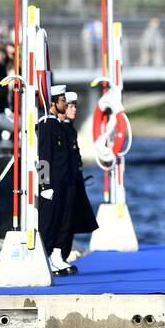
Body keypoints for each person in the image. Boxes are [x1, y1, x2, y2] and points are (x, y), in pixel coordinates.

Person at [54, 90, 99, 271]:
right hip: (61, 182)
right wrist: (45, 184)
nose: (72, 109)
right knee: (60, 220)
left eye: (73, 106)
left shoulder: (69, 128)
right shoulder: (55, 127)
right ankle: (56, 253)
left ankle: (61, 254)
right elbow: (47, 158)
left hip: (73, 181)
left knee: (70, 220)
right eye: (69, 105)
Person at [37, 85, 77, 275]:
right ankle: (45, 256)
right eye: (62, 100)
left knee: (64, 219)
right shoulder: (46, 124)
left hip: (65, 181)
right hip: (52, 183)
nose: (64, 103)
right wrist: (44, 183)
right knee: (49, 221)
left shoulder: (59, 125)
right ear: (53, 102)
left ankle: (57, 255)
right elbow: (43, 156)